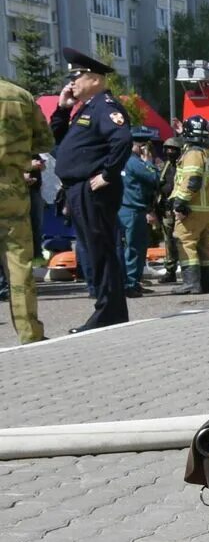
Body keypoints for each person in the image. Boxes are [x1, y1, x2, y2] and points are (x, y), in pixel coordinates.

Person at [50, 48, 133, 332]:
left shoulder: (105, 106)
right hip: (78, 190)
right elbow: (58, 139)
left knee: (100, 250)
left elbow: (122, 140)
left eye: (77, 76)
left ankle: (107, 312)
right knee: (94, 248)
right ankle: (110, 310)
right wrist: (62, 108)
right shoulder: (84, 109)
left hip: (92, 190)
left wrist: (108, 174)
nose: (72, 82)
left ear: (95, 78)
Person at [0, 78, 54, 343]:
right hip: (12, 187)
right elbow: (45, 141)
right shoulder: (20, 96)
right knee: (19, 263)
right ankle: (30, 333)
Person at [169, 117, 209, 295]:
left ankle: (191, 283)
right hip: (207, 209)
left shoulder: (193, 153)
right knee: (206, 245)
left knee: (186, 242)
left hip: (192, 208)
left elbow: (192, 180)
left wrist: (180, 202)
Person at [118, 127, 162, 298]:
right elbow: (155, 178)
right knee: (134, 249)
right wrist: (149, 161)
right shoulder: (135, 162)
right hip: (133, 210)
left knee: (134, 248)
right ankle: (130, 283)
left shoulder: (124, 160)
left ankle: (133, 282)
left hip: (127, 209)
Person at [157, 137, 182, 283]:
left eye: (173, 149)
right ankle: (170, 271)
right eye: (168, 149)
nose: (170, 151)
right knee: (169, 242)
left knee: (182, 240)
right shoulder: (164, 167)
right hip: (167, 209)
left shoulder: (183, 165)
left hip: (180, 210)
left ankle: (187, 271)